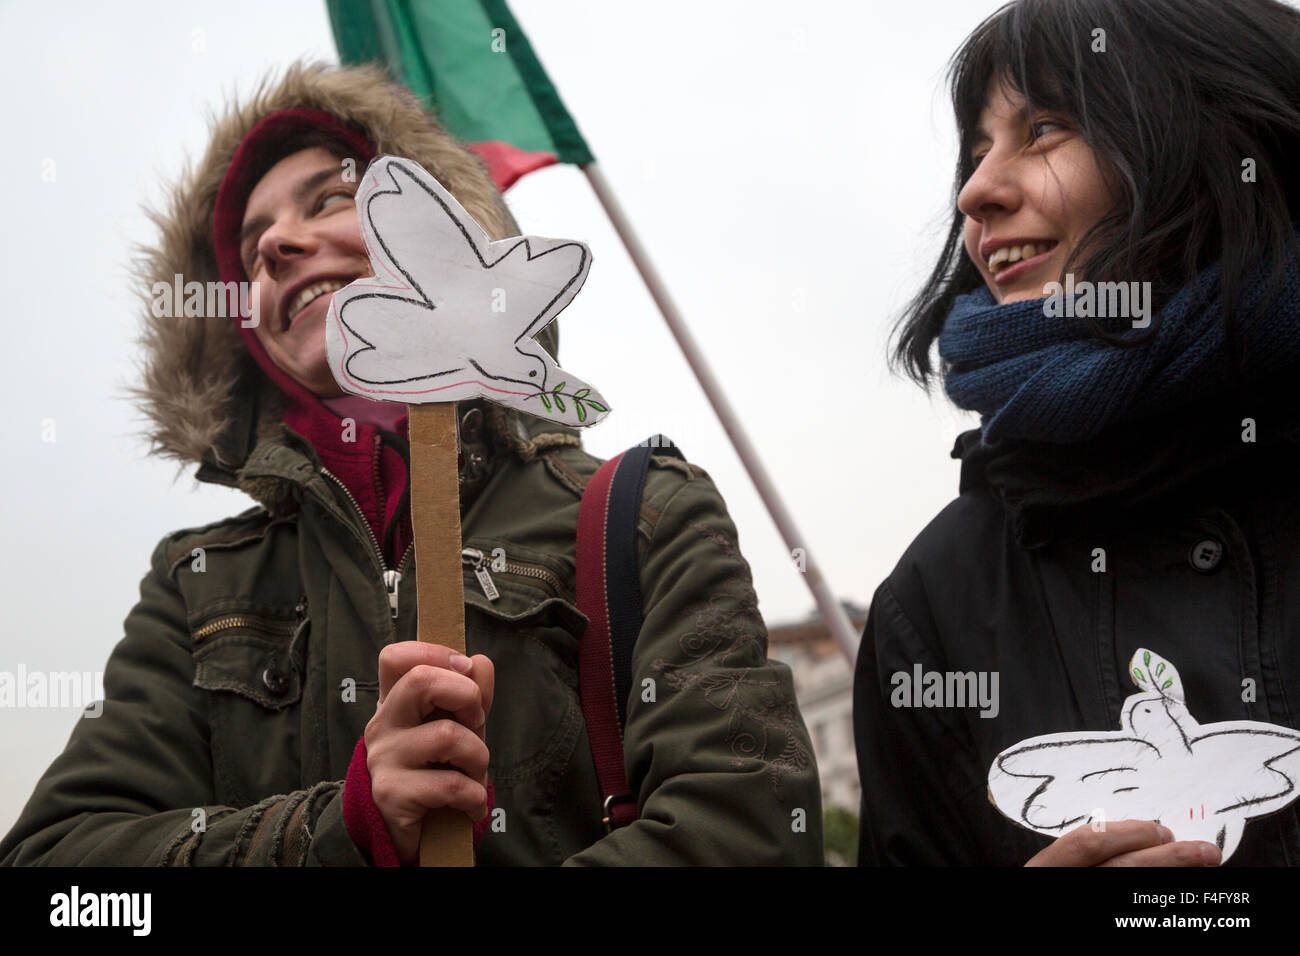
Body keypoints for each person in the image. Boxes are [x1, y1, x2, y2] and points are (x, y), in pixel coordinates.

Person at [0, 61, 822, 866]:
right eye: (250, 252)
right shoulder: (195, 583)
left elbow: (752, 826)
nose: (279, 245)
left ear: (447, 229)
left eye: (329, 198)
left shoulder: (642, 514)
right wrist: (340, 828)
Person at [854, 0, 1300, 866]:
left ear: (1215, 142)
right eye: (976, 150)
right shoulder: (934, 601)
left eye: (1045, 127)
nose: (976, 191)